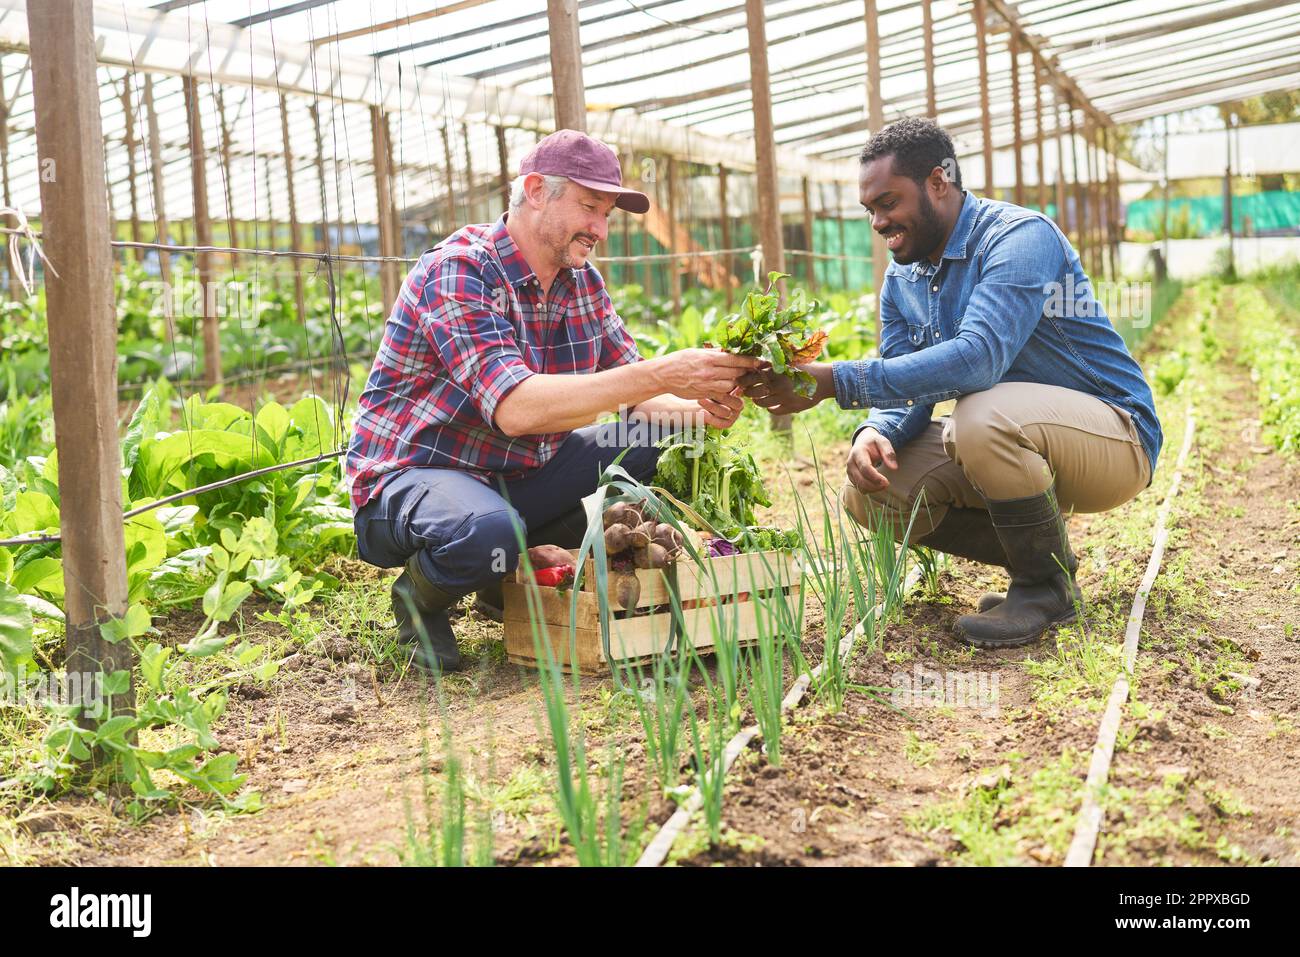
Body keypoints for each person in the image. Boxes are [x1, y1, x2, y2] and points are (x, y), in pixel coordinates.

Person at [346, 130, 758, 671]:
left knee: (654, 441)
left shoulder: (581, 283)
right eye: (590, 207)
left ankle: (505, 581)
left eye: (608, 213)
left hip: (519, 476)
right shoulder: (459, 271)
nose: (601, 229)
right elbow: (516, 409)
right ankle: (420, 601)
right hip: (419, 477)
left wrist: (701, 412)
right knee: (485, 530)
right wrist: (661, 371)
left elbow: (637, 399)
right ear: (536, 190)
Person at [742, 117, 1162, 648]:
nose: (878, 221)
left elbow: (978, 360)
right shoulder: (902, 278)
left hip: (1114, 438)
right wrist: (878, 431)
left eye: (888, 202)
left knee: (980, 413)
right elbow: (906, 387)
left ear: (938, 182)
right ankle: (1048, 561)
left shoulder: (1018, 237)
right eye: (869, 209)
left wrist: (833, 382)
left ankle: (1042, 589)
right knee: (873, 490)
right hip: (1016, 441)